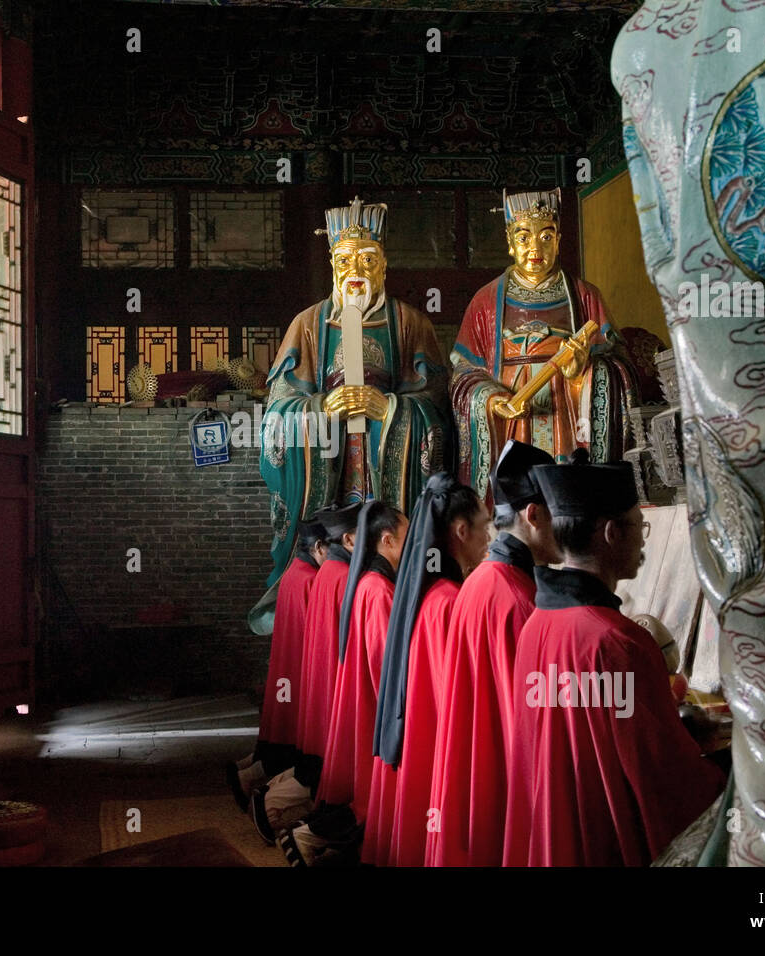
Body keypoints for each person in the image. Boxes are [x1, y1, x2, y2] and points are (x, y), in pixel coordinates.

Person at [503, 452, 726, 866]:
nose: (644, 541)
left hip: (558, 827)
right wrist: (722, 776)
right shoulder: (615, 641)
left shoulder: (537, 623)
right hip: (603, 835)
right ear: (611, 533)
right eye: (639, 528)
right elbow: (659, 772)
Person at [257, 197, 451, 598]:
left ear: (384, 265)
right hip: (332, 481)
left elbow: (440, 407)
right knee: (330, 585)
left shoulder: (411, 323)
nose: (356, 272)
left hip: (391, 483)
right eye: (345, 261)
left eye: (367, 260)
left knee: (392, 589)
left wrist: (391, 410)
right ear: (332, 266)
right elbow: (277, 414)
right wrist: (321, 408)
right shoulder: (309, 325)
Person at [450, 189, 638, 501]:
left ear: (559, 240)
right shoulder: (485, 302)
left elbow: (619, 366)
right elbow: (463, 373)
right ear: (510, 243)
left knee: (565, 499)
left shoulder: (584, 295)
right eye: (524, 237)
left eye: (546, 237)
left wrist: (583, 372)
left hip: (564, 412)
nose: (535, 247)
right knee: (517, 498)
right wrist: (492, 400)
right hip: (513, 414)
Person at [425, 439, 559, 866]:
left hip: (476, 779)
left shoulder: (481, 579)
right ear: (534, 516)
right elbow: (534, 730)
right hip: (504, 787)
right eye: (562, 514)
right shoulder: (518, 600)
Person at [365, 474, 488, 866]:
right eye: (486, 527)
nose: (490, 539)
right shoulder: (450, 601)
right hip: (437, 743)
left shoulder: (430, 592)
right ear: (462, 530)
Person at [278, 499, 407, 866]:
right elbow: (385, 666)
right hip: (372, 707)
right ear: (384, 540)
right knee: (369, 797)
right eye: (406, 536)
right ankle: (310, 835)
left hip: (357, 698)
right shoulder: (378, 587)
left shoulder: (363, 580)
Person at [250, 503, 362, 838]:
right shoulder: (331, 577)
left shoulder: (314, 574)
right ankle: (274, 807)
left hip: (311, 677)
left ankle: (265, 794)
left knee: (309, 761)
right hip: (324, 681)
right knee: (318, 768)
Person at [228, 517, 326, 810]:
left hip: (286, 670)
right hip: (298, 671)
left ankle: (251, 782)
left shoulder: (295, 571)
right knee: (290, 743)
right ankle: (267, 800)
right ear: (319, 547)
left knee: (280, 737)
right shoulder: (310, 578)